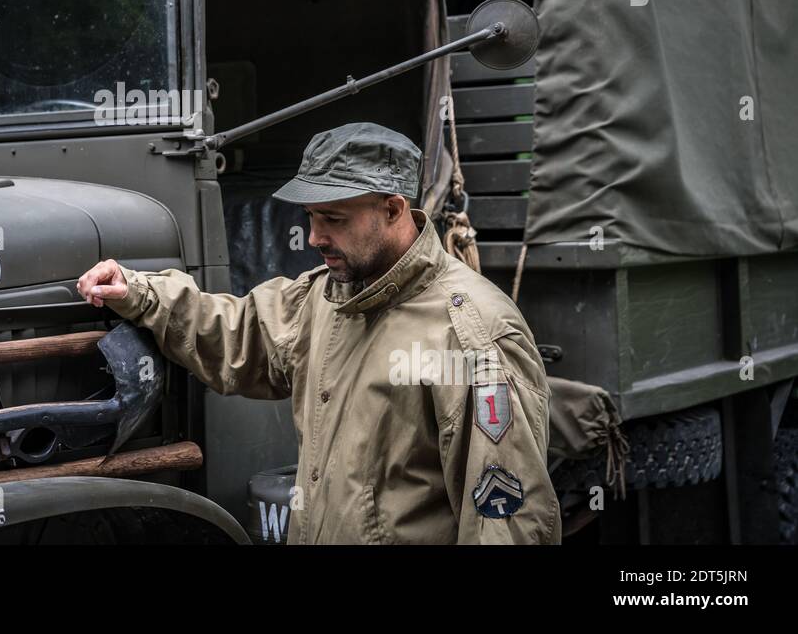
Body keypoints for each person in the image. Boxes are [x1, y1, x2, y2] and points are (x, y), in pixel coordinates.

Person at [76, 121, 561, 544]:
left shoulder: (471, 333)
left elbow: (506, 521)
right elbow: (239, 334)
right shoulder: (328, 297)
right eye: (310, 217)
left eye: (333, 218)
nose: (314, 238)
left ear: (393, 210)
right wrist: (138, 292)